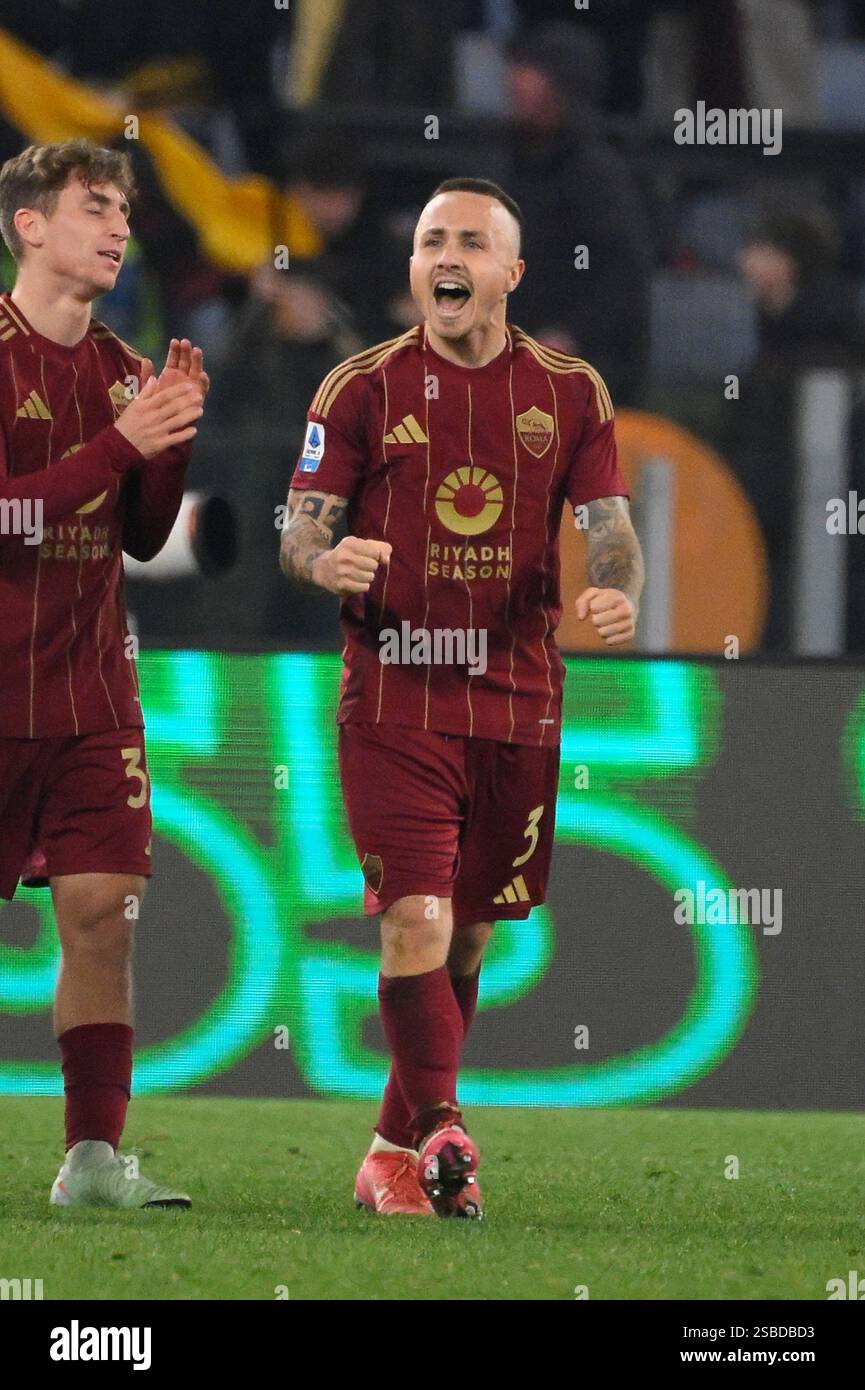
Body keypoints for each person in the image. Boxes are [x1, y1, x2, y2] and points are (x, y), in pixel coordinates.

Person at [279, 177, 644, 1217]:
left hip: (518, 697)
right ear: (415, 270)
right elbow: (300, 523)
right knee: (414, 920)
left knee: (472, 934)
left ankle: (392, 1146)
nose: (446, 255)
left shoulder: (571, 391)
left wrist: (614, 590)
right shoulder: (358, 387)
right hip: (395, 693)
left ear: (509, 275)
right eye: (431, 239)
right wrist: (321, 562)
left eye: (471, 242)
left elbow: (610, 529)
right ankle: (446, 1129)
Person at [0, 139, 208, 1207]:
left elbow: (140, 534)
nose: (119, 226)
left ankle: (90, 1159)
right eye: (94, 206)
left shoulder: (126, 369)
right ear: (30, 225)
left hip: (89, 693)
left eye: (124, 209)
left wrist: (165, 444)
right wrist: (127, 441)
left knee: (101, 905)